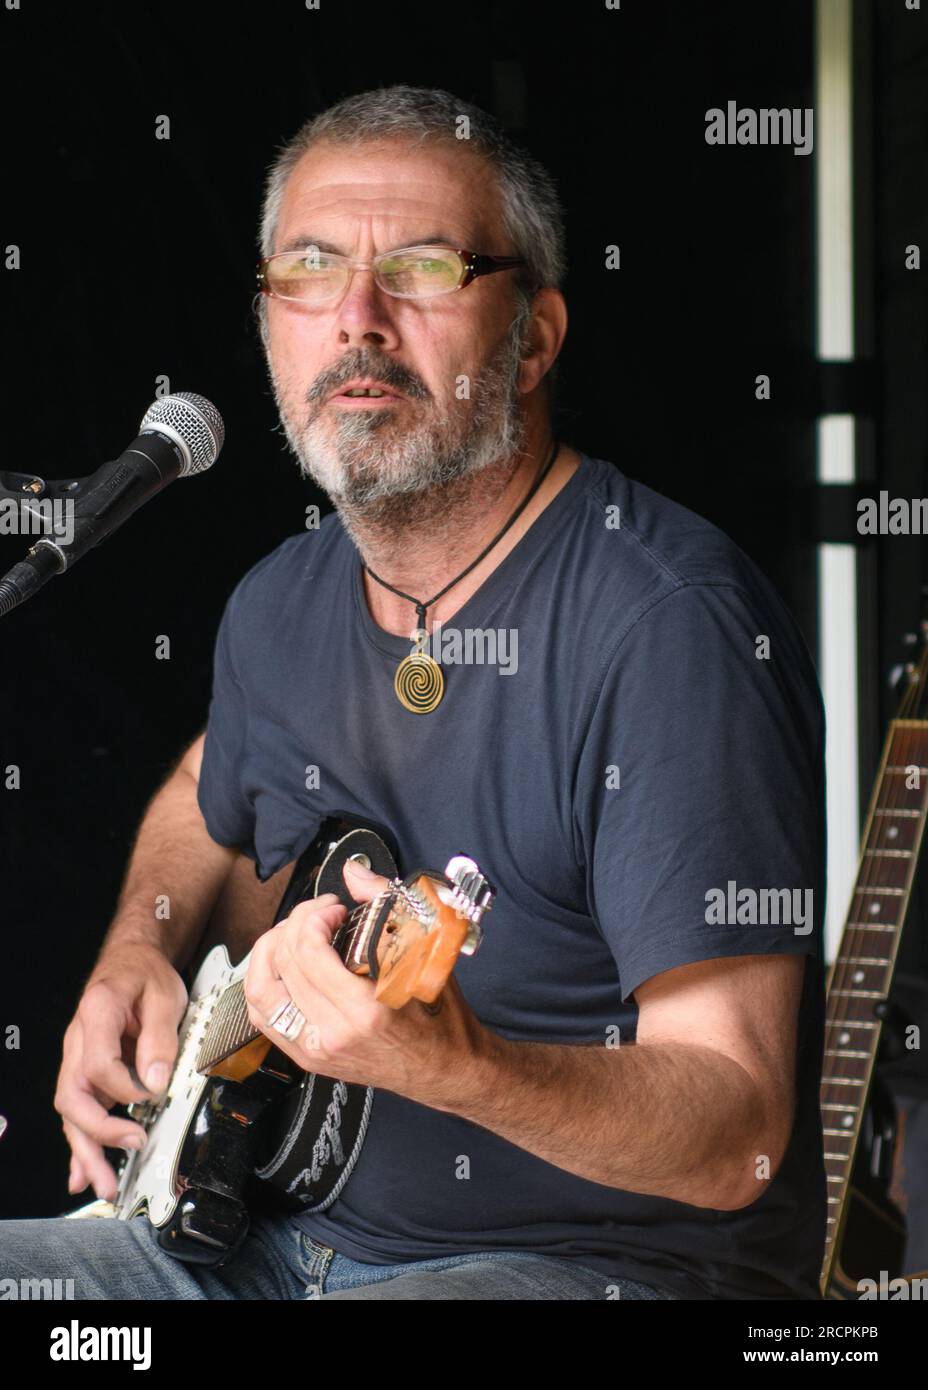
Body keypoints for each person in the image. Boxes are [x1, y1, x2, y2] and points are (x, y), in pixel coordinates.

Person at [0, 84, 827, 1301]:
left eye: (426, 268)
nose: (359, 320)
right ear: (269, 323)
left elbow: (734, 1130)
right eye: (311, 270)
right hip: (249, 1248)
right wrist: (143, 943)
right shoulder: (281, 599)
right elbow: (208, 786)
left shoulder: (668, 628)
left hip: (592, 1268)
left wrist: (464, 1066)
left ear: (535, 337)